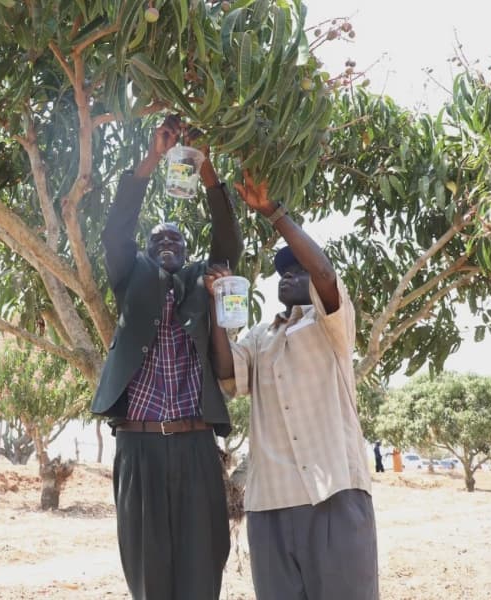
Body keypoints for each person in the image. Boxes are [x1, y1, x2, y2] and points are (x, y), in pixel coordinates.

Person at [91, 115, 243, 600]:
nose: (166, 245)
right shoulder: (131, 278)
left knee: (203, 570)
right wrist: (153, 159)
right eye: (157, 241)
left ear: (187, 250)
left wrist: (207, 172)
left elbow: (228, 241)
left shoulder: (203, 281)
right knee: (148, 572)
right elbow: (117, 231)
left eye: (175, 239)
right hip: (139, 447)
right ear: (147, 252)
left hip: (196, 445)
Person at [208, 172, 378, 600]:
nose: (289, 275)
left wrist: (273, 213)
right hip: (270, 504)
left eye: (297, 269)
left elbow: (324, 271)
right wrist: (214, 303)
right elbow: (228, 372)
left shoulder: (332, 327)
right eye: (282, 271)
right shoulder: (261, 337)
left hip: (334, 496)